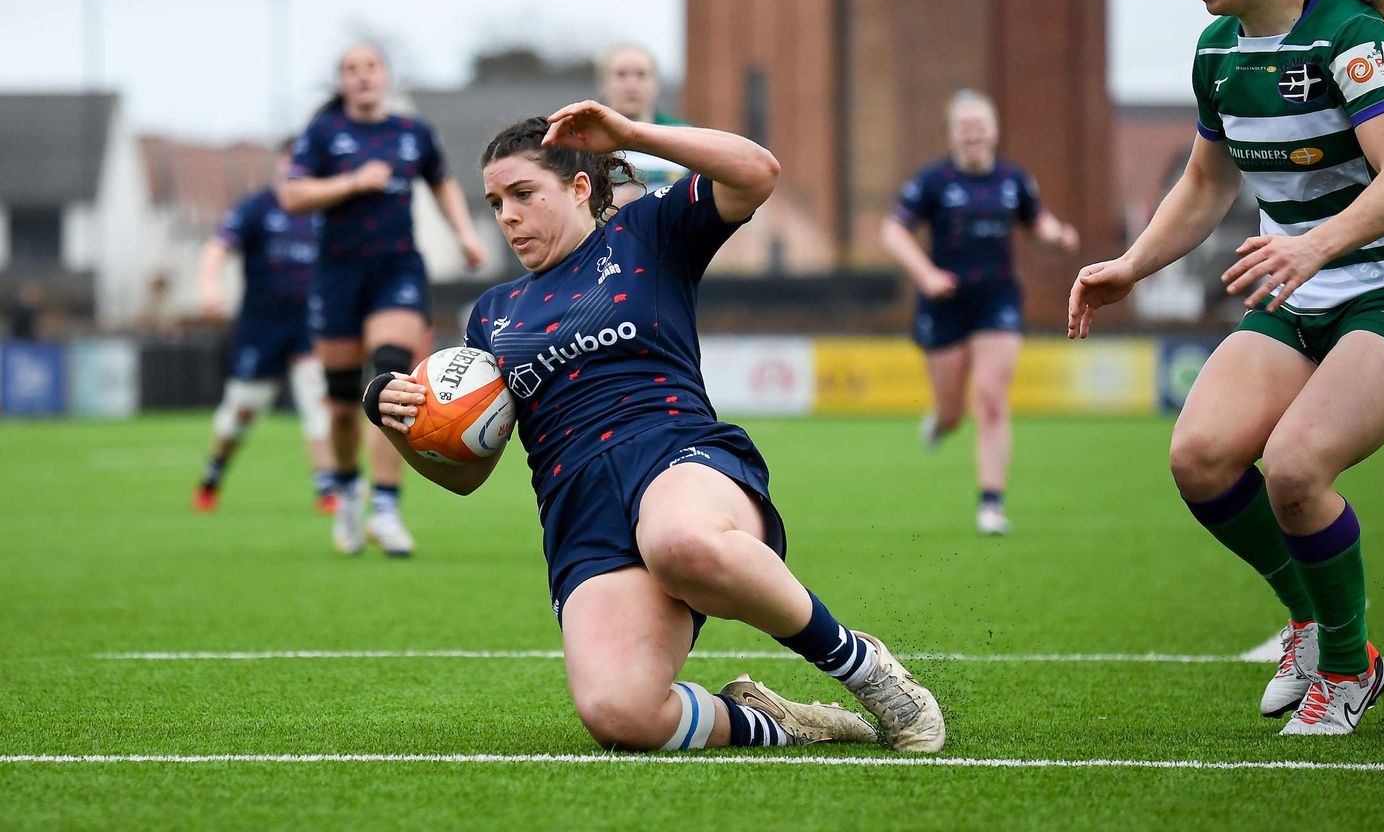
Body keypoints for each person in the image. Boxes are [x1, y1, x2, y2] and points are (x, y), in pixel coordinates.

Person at [363, 102, 945, 753]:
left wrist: (634, 135)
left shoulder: (647, 232)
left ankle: (866, 671)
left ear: (579, 187)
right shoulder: (492, 316)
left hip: (677, 457)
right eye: (496, 202)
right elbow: (467, 477)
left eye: (523, 194)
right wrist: (396, 423)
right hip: (580, 511)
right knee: (620, 714)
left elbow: (757, 173)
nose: (507, 216)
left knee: (681, 542)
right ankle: (776, 722)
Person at [1068, 0, 1384, 736]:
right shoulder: (1218, 52)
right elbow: (1206, 185)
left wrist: (1313, 245)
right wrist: (1131, 267)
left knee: (1294, 467)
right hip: (1302, 290)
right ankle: (1308, 620)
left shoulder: (1352, 40)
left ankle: (1350, 665)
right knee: (1200, 457)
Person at [279, 43, 487, 557]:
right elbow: (292, 195)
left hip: (397, 270)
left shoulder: (411, 133)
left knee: (392, 382)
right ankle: (349, 491)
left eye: (370, 67)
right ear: (342, 81)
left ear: (386, 76)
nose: (362, 76)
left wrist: (464, 234)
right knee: (344, 406)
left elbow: (442, 185)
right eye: (351, 69)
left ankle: (388, 507)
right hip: (338, 276)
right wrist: (352, 182)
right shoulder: (324, 133)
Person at [880, 89, 1079, 536]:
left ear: (994, 131)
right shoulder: (932, 181)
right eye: (964, 126)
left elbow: (1037, 221)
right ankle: (941, 421)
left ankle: (991, 503)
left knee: (990, 398)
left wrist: (1057, 236)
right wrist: (926, 273)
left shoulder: (1014, 180)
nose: (972, 134)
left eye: (980, 125)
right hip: (945, 302)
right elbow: (892, 231)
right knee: (952, 412)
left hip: (997, 301)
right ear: (951, 134)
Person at [192, 142, 336, 514]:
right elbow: (217, 248)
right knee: (243, 409)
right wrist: (209, 286)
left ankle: (327, 490)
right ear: (279, 165)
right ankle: (213, 474)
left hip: (310, 326)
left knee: (317, 401)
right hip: (261, 327)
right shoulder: (257, 207)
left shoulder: (324, 212)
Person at [595, 41, 687, 208]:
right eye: (621, 74)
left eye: (641, 74)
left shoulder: (684, 137)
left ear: (656, 84)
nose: (631, 85)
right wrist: (602, 210)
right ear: (603, 84)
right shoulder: (583, 140)